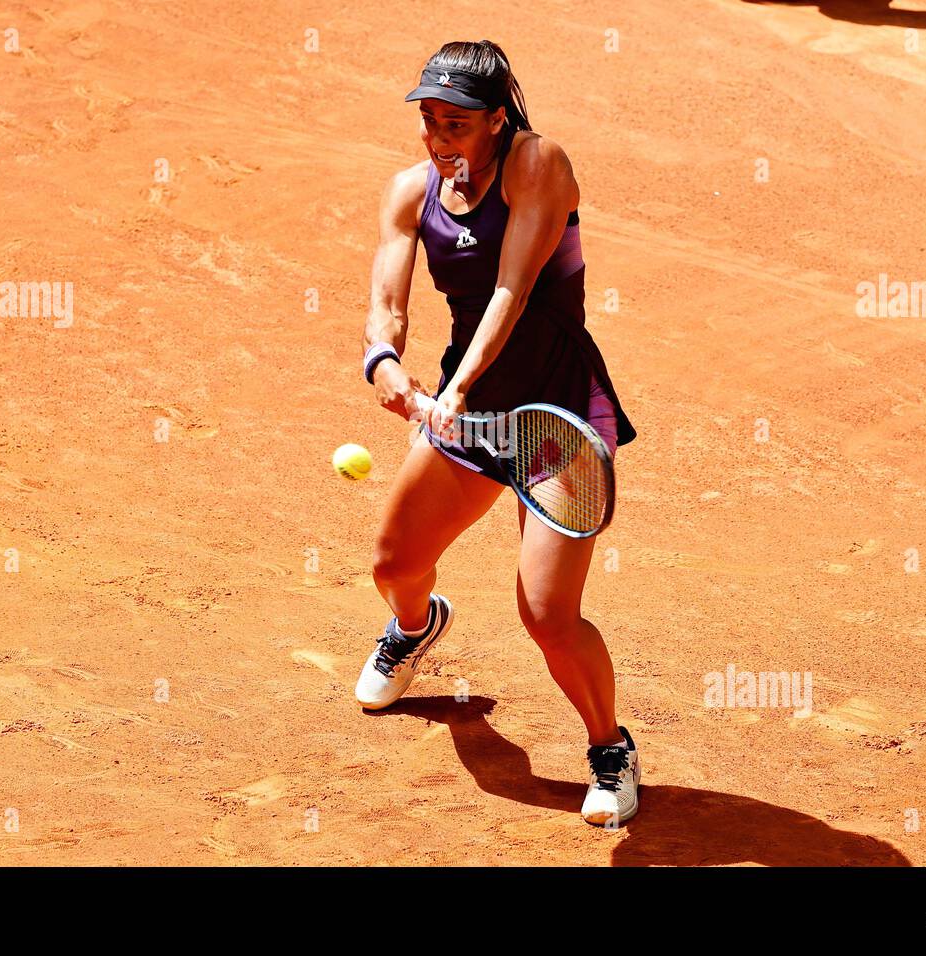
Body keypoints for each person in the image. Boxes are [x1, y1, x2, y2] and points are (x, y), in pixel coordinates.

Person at [356, 40, 640, 826]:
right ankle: (416, 629)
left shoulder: (538, 165)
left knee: (548, 615)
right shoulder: (412, 192)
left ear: (496, 121)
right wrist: (384, 360)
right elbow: (388, 299)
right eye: (429, 121)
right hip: (472, 412)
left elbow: (512, 289)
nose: (439, 137)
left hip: (558, 417)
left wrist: (452, 387)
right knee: (394, 564)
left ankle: (610, 749)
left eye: (455, 123)